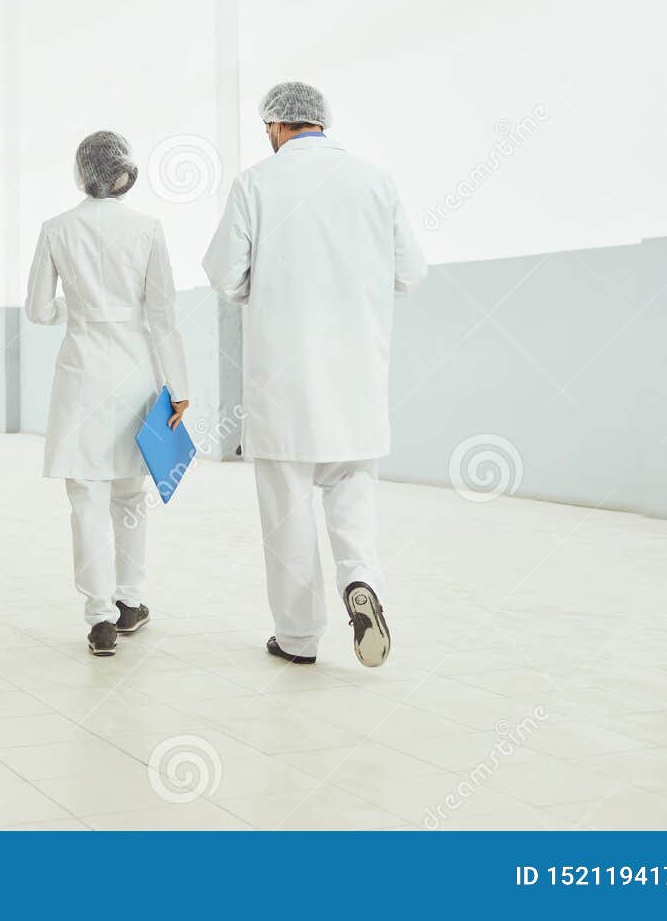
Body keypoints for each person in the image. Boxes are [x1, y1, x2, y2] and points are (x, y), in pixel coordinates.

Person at [203, 82, 426, 668]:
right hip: (356, 378)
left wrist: (263, 285)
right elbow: (411, 272)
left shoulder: (256, 181)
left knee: (287, 509)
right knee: (352, 491)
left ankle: (298, 638)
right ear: (320, 122)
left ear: (276, 126)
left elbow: (225, 274)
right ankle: (362, 582)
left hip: (283, 382)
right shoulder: (376, 180)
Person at [25, 131, 190, 657]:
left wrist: (68, 313)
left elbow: (37, 308)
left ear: (81, 173)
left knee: (86, 497)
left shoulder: (56, 229)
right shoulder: (148, 228)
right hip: (136, 372)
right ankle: (130, 601)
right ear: (125, 173)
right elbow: (163, 315)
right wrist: (179, 386)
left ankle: (97, 617)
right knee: (130, 496)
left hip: (81, 373)